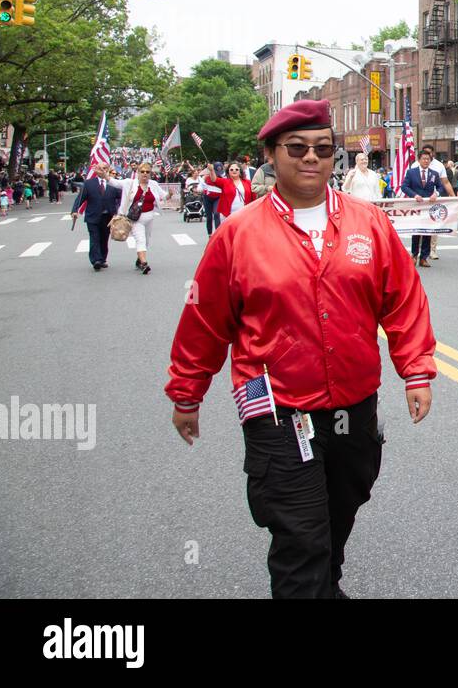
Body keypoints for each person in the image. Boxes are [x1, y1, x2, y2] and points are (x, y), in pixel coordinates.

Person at [165, 100, 437, 599]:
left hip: (352, 409)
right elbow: (204, 321)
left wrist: (415, 371)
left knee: (339, 513)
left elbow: (404, 300)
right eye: (297, 148)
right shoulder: (238, 234)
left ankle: (324, 584)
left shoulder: (369, 224)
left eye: (323, 149)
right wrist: (187, 393)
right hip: (278, 412)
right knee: (299, 536)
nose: (311, 158)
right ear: (271, 153)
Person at [109, 162, 167, 274]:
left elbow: (163, 195)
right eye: (142, 172)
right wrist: (104, 176)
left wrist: (168, 194)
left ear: (150, 174)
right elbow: (114, 182)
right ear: (138, 173)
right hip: (135, 219)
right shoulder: (129, 183)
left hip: (149, 217)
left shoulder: (153, 184)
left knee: (146, 241)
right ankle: (144, 263)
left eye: (147, 172)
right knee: (140, 240)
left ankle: (139, 259)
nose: (145, 174)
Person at [401, 148, 454, 267]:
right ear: (419, 160)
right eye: (424, 159)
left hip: (429, 207)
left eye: (428, 159)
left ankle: (424, 258)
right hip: (416, 206)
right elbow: (404, 187)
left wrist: (437, 194)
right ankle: (414, 255)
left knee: (427, 232)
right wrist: (414, 195)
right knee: (416, 231)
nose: (426, 161)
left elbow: (440, 187)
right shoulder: (411, 172)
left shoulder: (434, 174)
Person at [71, 164, 122, 271]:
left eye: (104, 168)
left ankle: (102, 259)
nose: (102, 170)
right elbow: (80, 198)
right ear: (96, 170)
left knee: (104, 238)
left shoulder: (113, 183)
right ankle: (96, 260)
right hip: (92, 216)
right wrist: (75, 211)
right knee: (94, 238)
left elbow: (122, 196)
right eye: (100, 168)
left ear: (108, 170)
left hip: (108, 217)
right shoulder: (89, 184)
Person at [198, 164, 222, 237]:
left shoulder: (221, 178)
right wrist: (199, 189)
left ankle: (217, 233)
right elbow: (200, 187)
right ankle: (210, 234)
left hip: (217, 198)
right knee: (209, 217)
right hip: (207, 198)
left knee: (216, 214)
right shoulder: (205, 178)